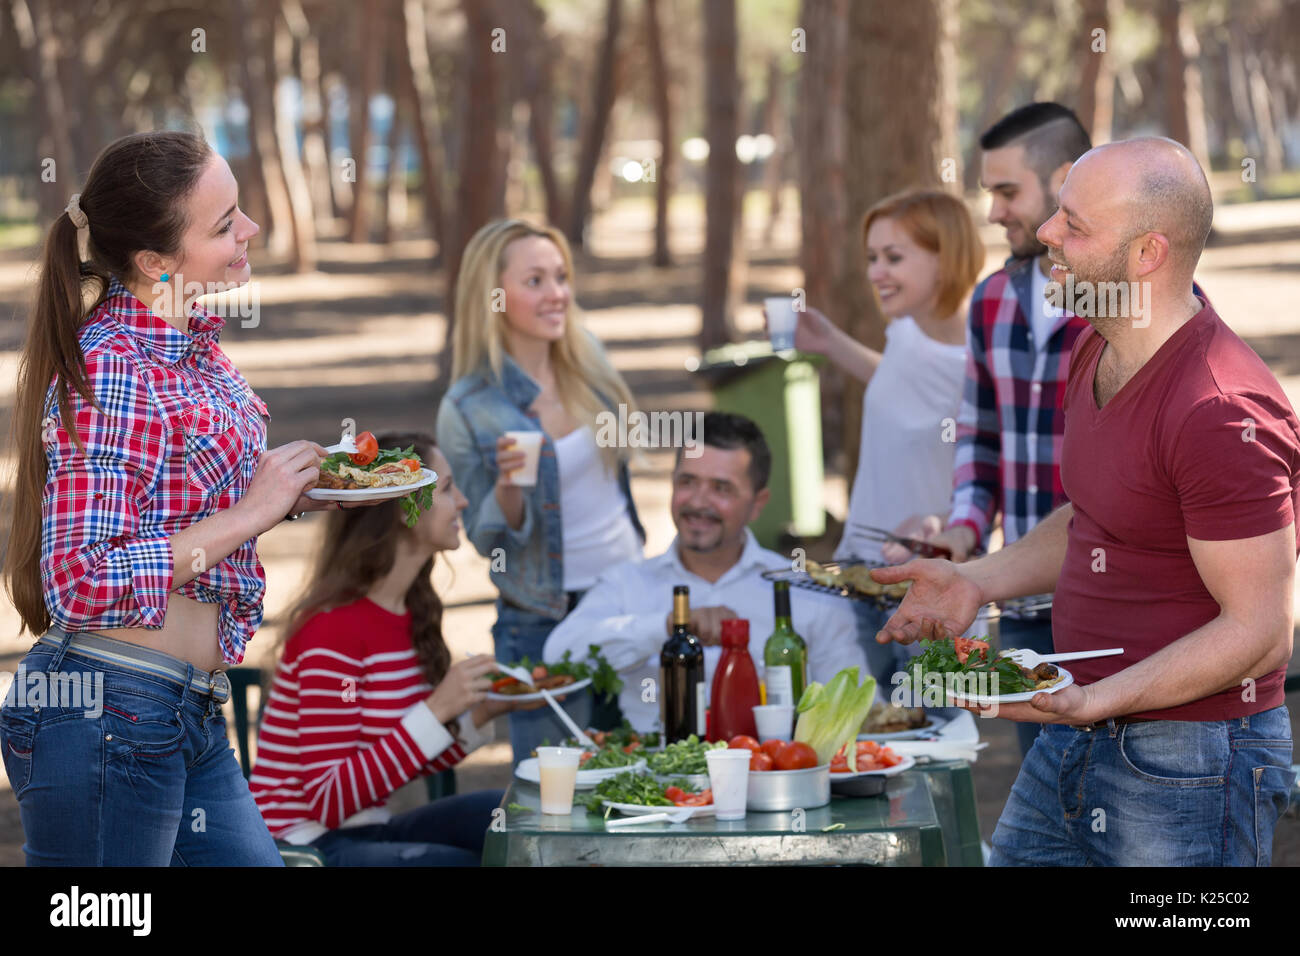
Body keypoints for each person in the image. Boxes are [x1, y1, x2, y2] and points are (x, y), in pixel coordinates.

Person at [873, 137, 1297, 867]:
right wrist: (977, 579)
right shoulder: (1093, 346)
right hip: (1076, 726)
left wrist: (1099, 699)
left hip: (1188, 761)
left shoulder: (1220, 410)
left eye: (1074, 224)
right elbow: (1096, 515)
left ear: (1146, 255)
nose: (1045, 234)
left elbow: (1260, 629)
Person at [0, 131, 339, 866]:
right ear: (156, 262)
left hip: (186, 711)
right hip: (104, 715)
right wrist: (254, 512)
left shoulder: (195, 349)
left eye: (239, 210)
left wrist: (302, 494)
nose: (250, 230)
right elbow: (82, 578)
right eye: (223, 225)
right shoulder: (113, 362)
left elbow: (184, 508)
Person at [908, 103, 1095, 757]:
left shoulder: (1126, 304)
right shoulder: (990, 301)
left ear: (1066, 179)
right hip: (1018, 610)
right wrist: (964, 525)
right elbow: (980, 435)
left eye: (1005, 191)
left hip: (1109, 610)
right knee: (1045, 797)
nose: (991, 212)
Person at [250, 432, 520, 866]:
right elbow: (329, 800)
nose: (464, 502)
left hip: (366, 829)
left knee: (510, 816)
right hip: (302, 844)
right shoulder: (333, 630)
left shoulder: (407, 612)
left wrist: (479, 713)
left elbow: (399, 757)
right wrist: (436, 709)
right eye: (448, 488)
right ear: (404, 507)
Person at [436, 219, 646, 763]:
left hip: (626, 594)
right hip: (542, 617)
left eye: (561, 276)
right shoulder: (467, 407)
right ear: (495, 296)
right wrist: (510, 486)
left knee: (645, 770)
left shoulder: (587, 357)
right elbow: (486, 538)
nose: (557, 294)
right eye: (535, 281)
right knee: (558, 794)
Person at [544, 412, 867, 733]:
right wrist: (667, 626)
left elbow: (854, 706)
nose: (698, 502)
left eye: (721, 488)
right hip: (653, 775)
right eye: (687, 482)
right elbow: (560, 656)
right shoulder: (628, 584)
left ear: (757, 503)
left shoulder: (803, 592)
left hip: (776, 771)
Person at [779, 188, 984, 685]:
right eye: (872, 258)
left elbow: (992, 459)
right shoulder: (905, 332)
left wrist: (947, 522)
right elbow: (902, 385)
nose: (876, 273)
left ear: (947, 258)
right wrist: (830, 344)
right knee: (863, 737)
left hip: (933, 589)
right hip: (859, 573)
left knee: (936, 741)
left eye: (894, 257)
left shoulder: (978, 364)